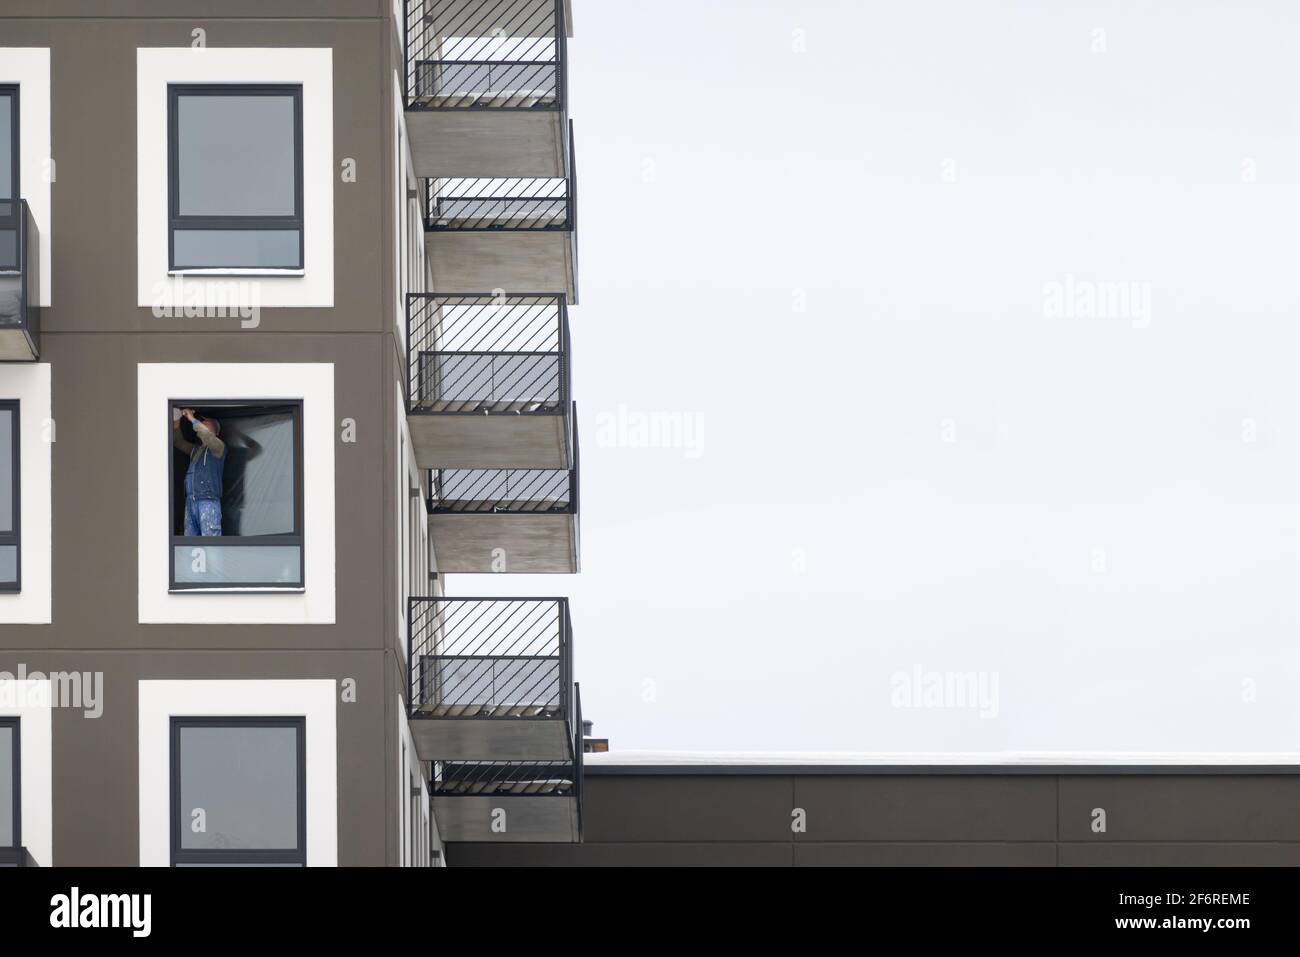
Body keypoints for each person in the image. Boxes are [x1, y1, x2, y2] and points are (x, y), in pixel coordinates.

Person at [173, 407, 226, 537]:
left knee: (210, 543)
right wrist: (176, 419)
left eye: (205, 423)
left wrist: (191, 418)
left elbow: (208, 437)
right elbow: (178, 442)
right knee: (190, 545)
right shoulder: (196, 450)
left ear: (215, 432)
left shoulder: (218, 447)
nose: (201, 424)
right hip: (191, 501)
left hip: (207, 502)